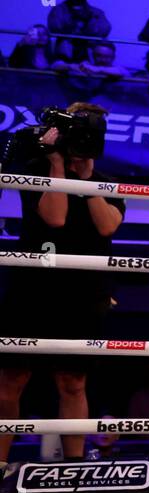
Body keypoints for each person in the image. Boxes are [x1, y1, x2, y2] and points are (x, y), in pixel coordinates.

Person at [0, 104, 125, 467]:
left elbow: (107, 227)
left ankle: (72, 467)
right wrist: (56, 165)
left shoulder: (104, 180)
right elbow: (55, 218)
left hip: (83, 292)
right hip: (32, 286)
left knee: (73, 382)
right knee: (12, 378)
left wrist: (86, 183)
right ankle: (1, 464)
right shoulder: (36, 171)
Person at [47, 0, 112, 63]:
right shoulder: (58, 10)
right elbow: (54, 28)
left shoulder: (96, 12)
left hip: (89, 51)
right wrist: (73, 23)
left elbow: (105, 29)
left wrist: (89, 24)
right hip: (65, 51)